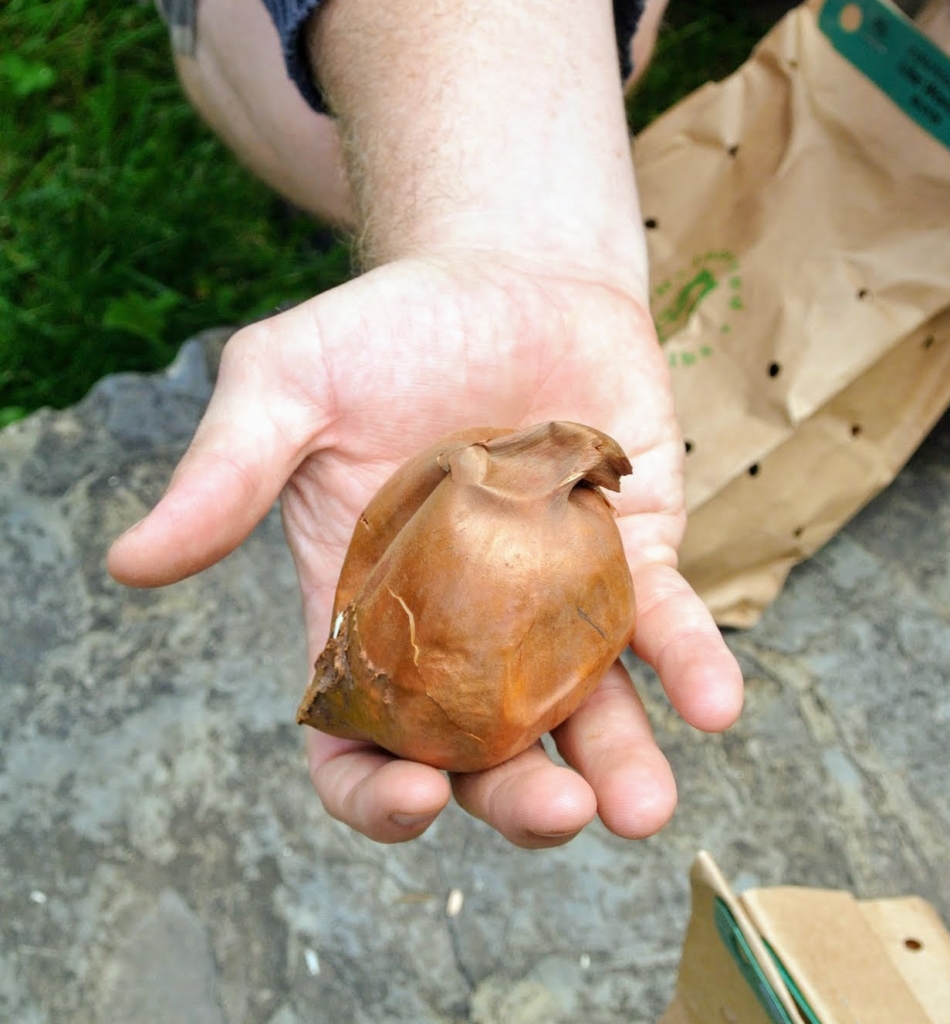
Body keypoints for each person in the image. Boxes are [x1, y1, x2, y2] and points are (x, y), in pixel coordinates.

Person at [108, 0, 744, 848]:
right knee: (324, 133)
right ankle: (347, 165)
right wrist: (501, 239)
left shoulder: (527, 494)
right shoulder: (487, 484)